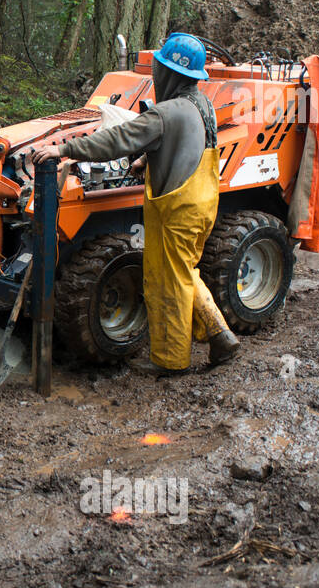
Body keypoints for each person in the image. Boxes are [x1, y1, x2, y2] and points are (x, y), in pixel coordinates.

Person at [32, 32, 240, 375]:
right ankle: (219, 334)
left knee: (167, 284)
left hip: (178, 209)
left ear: (169, 74)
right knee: (184, 271)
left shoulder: (164, 113)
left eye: (160, 69)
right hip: (201, 201)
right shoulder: (202, 104)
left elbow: (117, 138)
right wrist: (147, 158)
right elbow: (187, 142)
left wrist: (64, 149)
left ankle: (171, 363)